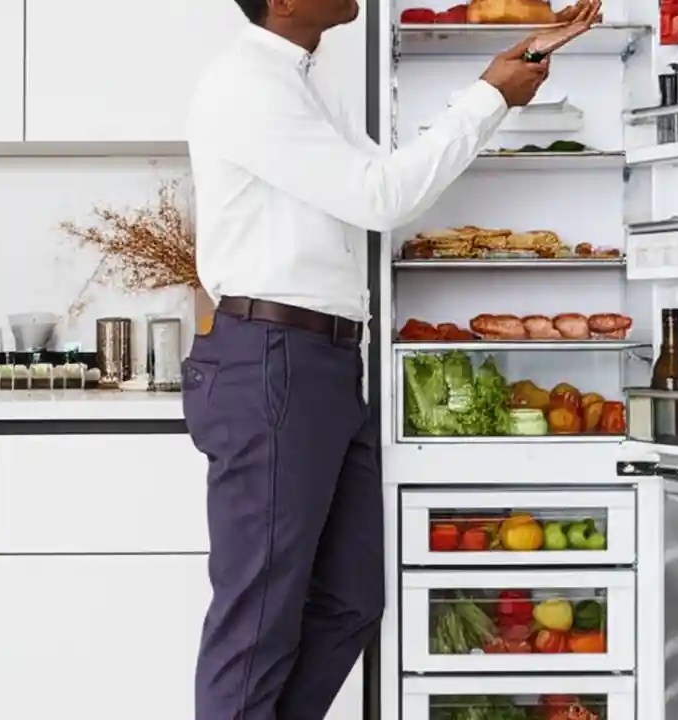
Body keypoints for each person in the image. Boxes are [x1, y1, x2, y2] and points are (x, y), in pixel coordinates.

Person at [181, 0, 600, 715]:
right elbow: (381, 197)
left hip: (328, 361)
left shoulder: (312, 83)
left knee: (350, 600)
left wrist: (494, 85)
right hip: (274, 360)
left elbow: (391, 180)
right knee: (256, 622)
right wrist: (490, 96)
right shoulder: (246, 83)